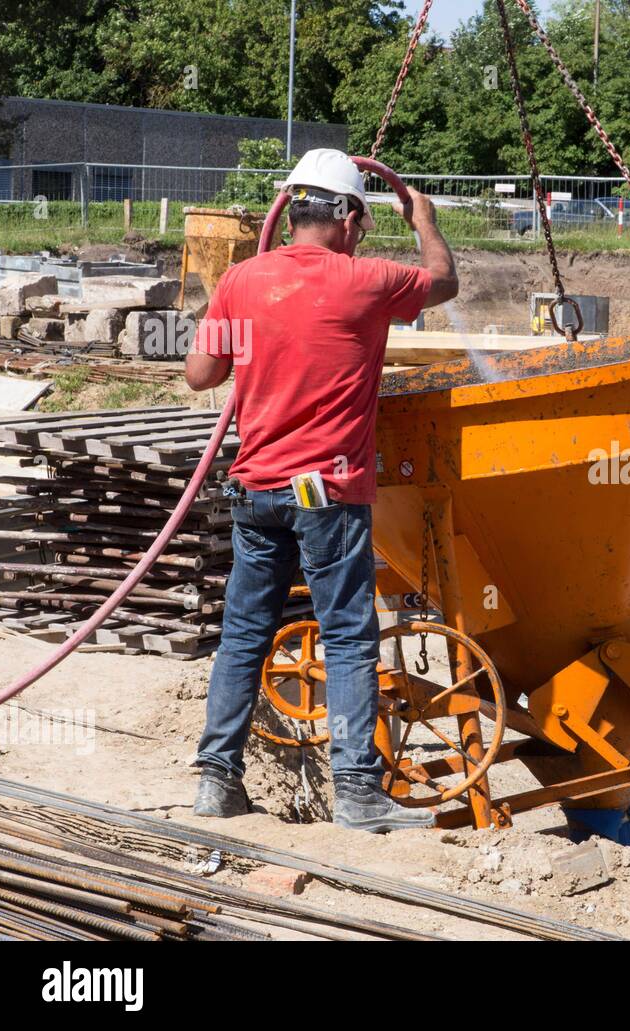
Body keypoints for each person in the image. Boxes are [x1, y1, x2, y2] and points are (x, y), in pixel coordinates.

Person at [184, 148, 458, 832]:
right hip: (327, 495)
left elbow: (199, 374)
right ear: (342, 215)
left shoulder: (242, 280)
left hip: (257, 490)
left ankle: (217, 781)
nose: (363, 235)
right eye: (360, 222)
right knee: (348, 637)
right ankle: (358, 791)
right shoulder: (364, 282)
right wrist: (422, 219)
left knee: (245, 634)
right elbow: (444, 281)